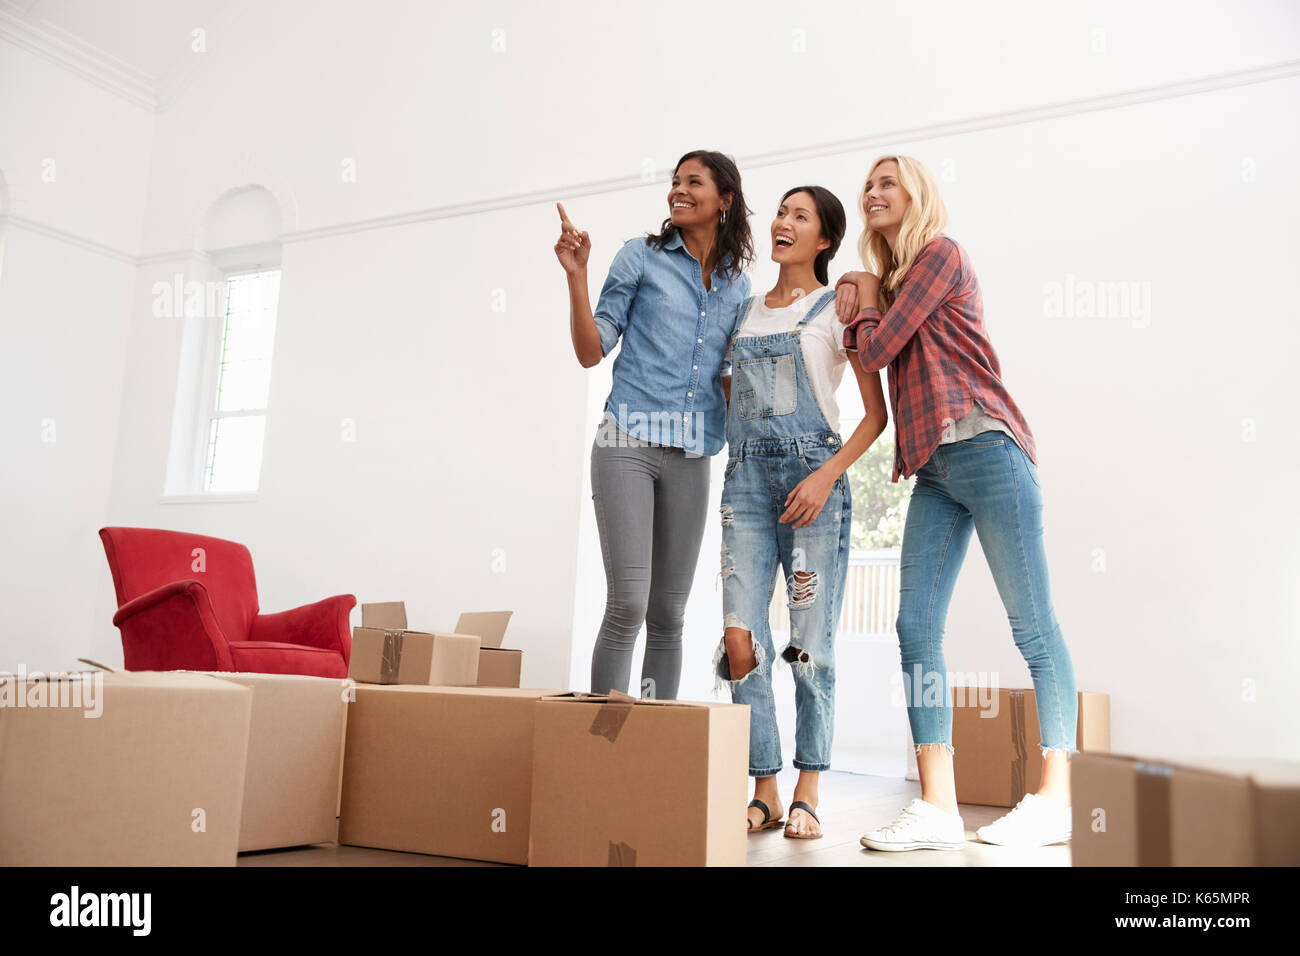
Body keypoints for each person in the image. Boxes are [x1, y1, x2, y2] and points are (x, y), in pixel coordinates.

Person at [834, 155, 1079, 850]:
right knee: (915, 627)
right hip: (934, 469)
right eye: (868, 186)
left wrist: (865, 297)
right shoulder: (896, 278)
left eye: (888, 182)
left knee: (1032, 627)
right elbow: (875, 345)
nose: (874, 193)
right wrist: (866, 288)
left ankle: (1055, 795)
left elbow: (876, 348)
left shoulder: (940, 254)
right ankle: (937, 805)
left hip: (989, 448)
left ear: (918, 193)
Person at [714, 186, 889, 839]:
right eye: (780, 213)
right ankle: (763, 786)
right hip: (745, 487)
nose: (783, 223)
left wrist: (825, 475)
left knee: (807, 648)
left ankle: (809, 786)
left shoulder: (835, 309)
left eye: (800, 216)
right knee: (741, 641)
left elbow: (876, 417)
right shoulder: (743, 311)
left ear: (823, 239)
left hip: (814, 482)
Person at [555, 150, 754, 701]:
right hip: (626, 443)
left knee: (669, 612)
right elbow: (591, 352)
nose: (678, 191)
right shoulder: (639, 258)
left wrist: (755, 453)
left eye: (694, 182)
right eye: (675, 182)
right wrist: (578, 276)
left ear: (725, 200)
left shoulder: (739, 289)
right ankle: (604, 743)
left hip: (693, 454)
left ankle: (652, 744)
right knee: (628, 603)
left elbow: (731, 380)